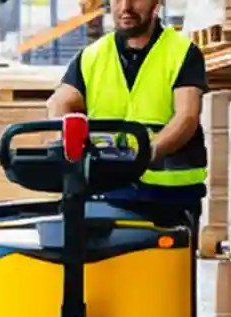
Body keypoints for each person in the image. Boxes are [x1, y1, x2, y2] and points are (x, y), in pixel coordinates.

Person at [47, 0, 208, 228]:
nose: (125, 7)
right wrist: (66, 143)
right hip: (107, 193)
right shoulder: (92, 56)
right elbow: (60, 102)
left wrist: (147, 152)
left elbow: (187, 116)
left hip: (170, 199)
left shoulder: (182, 52)